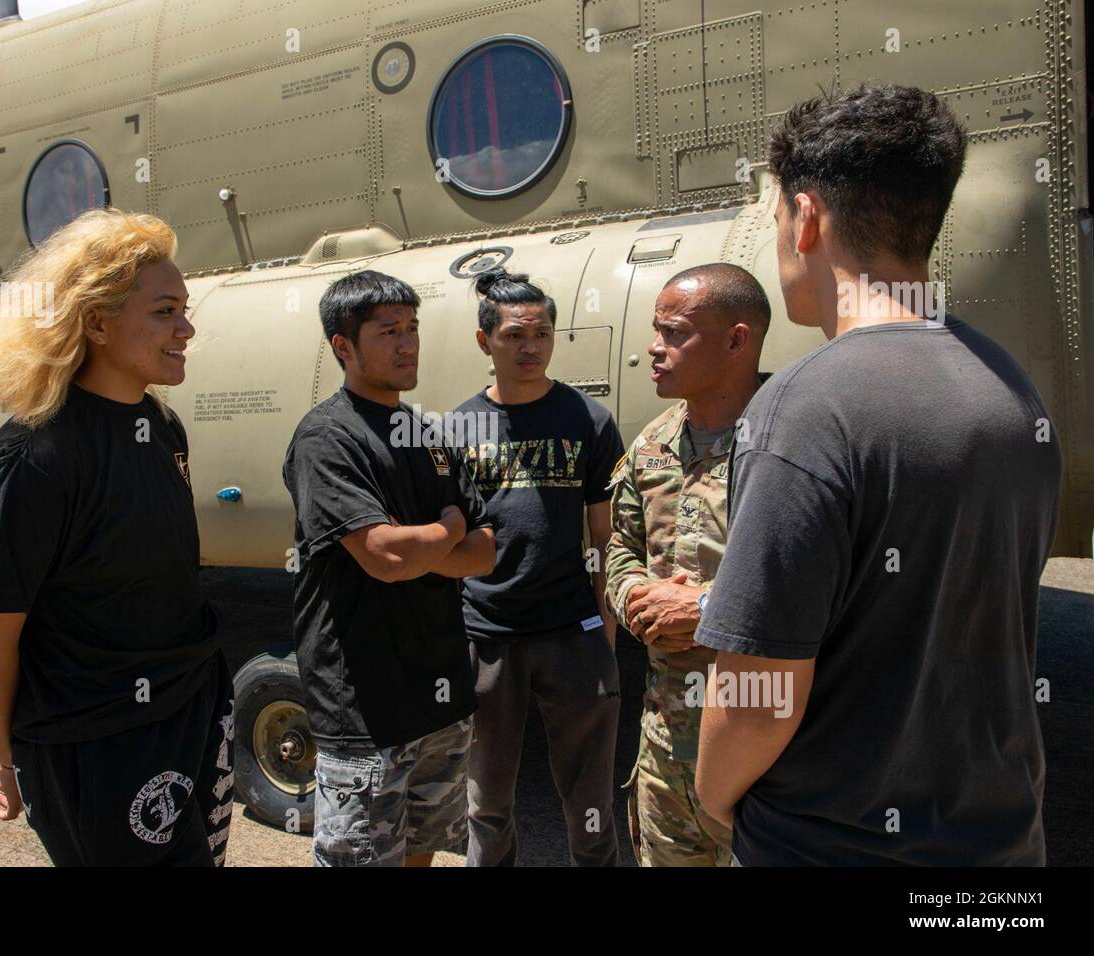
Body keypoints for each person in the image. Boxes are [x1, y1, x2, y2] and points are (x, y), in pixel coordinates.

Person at [693, 84, 1063, 865]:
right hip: (999, 848)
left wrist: (713, 797)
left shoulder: (806, 405)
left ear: (810, 219)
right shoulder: (1008, 387)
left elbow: (761, 688)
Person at [0, 209, 234, 866]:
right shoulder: (32, 459)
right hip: (102, 745)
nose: (186, 328)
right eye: (164, 311)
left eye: (184, 309)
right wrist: (13, 758)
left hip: (194, 713)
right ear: (98, 322)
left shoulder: (162, 429)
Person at [282, 270, 495, 867]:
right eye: (387, 332)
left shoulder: (429, 436)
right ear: (342, 347)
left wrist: (429, 542)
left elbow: (487, 552)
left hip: (441, 700)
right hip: (365, 708)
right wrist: (448, 527)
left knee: (421, 852)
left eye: (412, 328)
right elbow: (388, 558)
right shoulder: (327, 437)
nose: (407, 344)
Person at [453, 269, 624, 867]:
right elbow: (449, 539)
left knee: (588, 796)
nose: (530, 347)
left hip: (570, 630)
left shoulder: (589, 420)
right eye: (515, 335)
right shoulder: (457, 428)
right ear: (485, 342)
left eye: (543, 334)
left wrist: (603, 620)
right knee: (486, 799)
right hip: (486, 633)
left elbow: (604, 532)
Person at [604, 263, 771, 866]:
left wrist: (703, 608)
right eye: (656, 330)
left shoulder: (794, 441)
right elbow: (619, 549)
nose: (655, 347)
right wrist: (637, 604)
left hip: (766, 746)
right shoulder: (653, 443)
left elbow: (834, 579)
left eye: (675, 333)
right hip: (667, 747)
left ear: (736, 340)